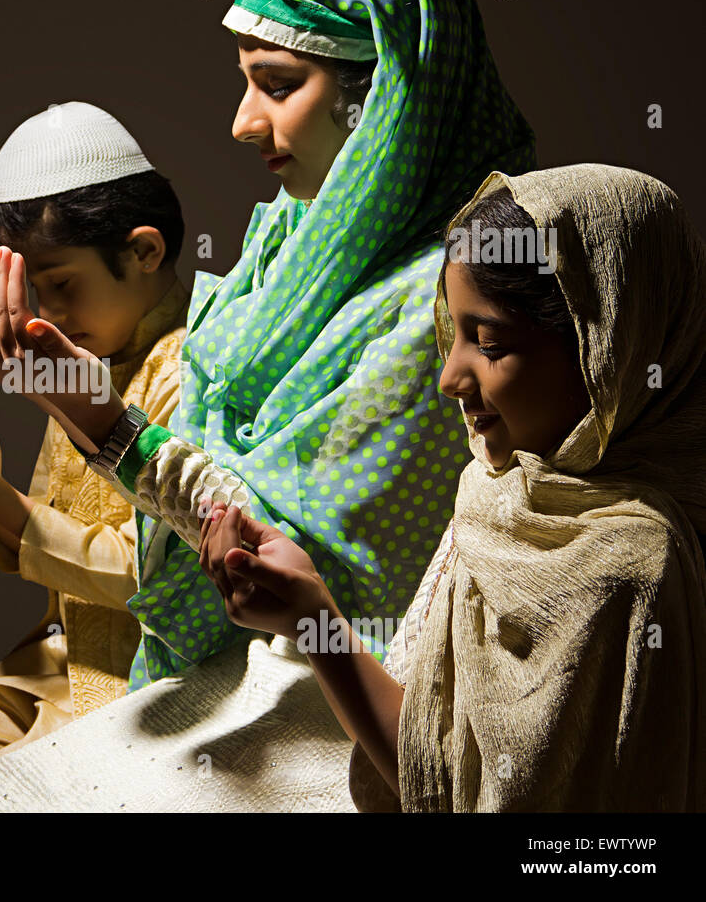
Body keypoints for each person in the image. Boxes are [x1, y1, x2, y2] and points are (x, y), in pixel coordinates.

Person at [0, 0, 535, 812]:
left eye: (276, 83)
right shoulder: (286, 246)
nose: (241, 122)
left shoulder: (453, 288)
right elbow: (206, 473)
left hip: (352, 694)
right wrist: (65, 397)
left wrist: (96, 417)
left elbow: (288, 562)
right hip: (234, 665)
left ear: (384, 93)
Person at [197, 164, 706, 811]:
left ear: (603, 347)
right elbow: (433, 763)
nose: (450, 376)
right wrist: (309, 616)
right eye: (453, 332)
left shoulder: (631, 566)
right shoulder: (499, 490)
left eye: (488, 343)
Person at [0, 102, 191, 812]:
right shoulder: (81, 356)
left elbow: (144, 575)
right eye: (31, 287)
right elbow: (33, 541)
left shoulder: (196, 367)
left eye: (61, 285)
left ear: (145, 251)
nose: (43, 313)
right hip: (57, 663)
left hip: (150, 681)